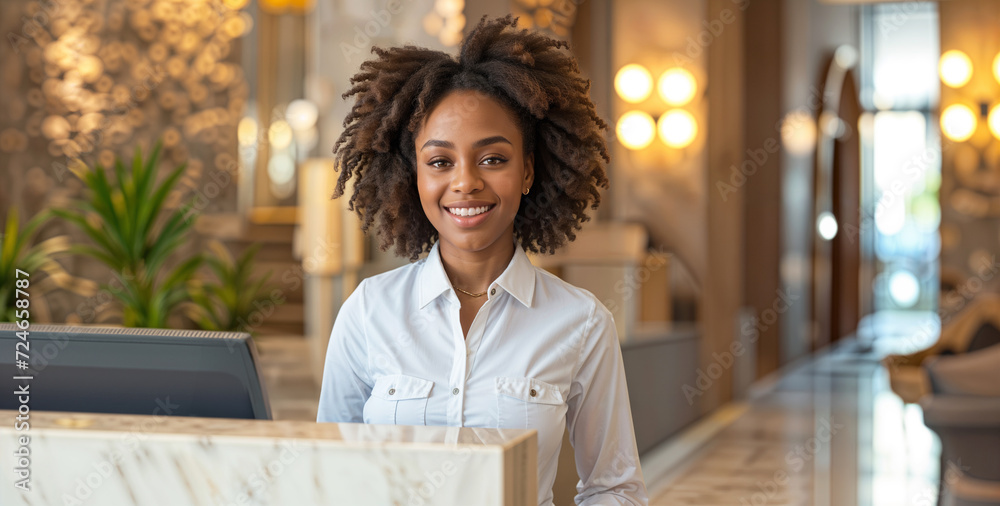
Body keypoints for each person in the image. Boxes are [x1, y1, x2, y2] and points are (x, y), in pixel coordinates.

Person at [316, 15, 648, 506]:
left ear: (528, 171)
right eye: (440, 161)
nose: (466, 182)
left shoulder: (581, 324)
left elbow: (614, 489)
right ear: (415, 177)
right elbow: (329, 474)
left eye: (492, 159)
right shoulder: (369, 311)